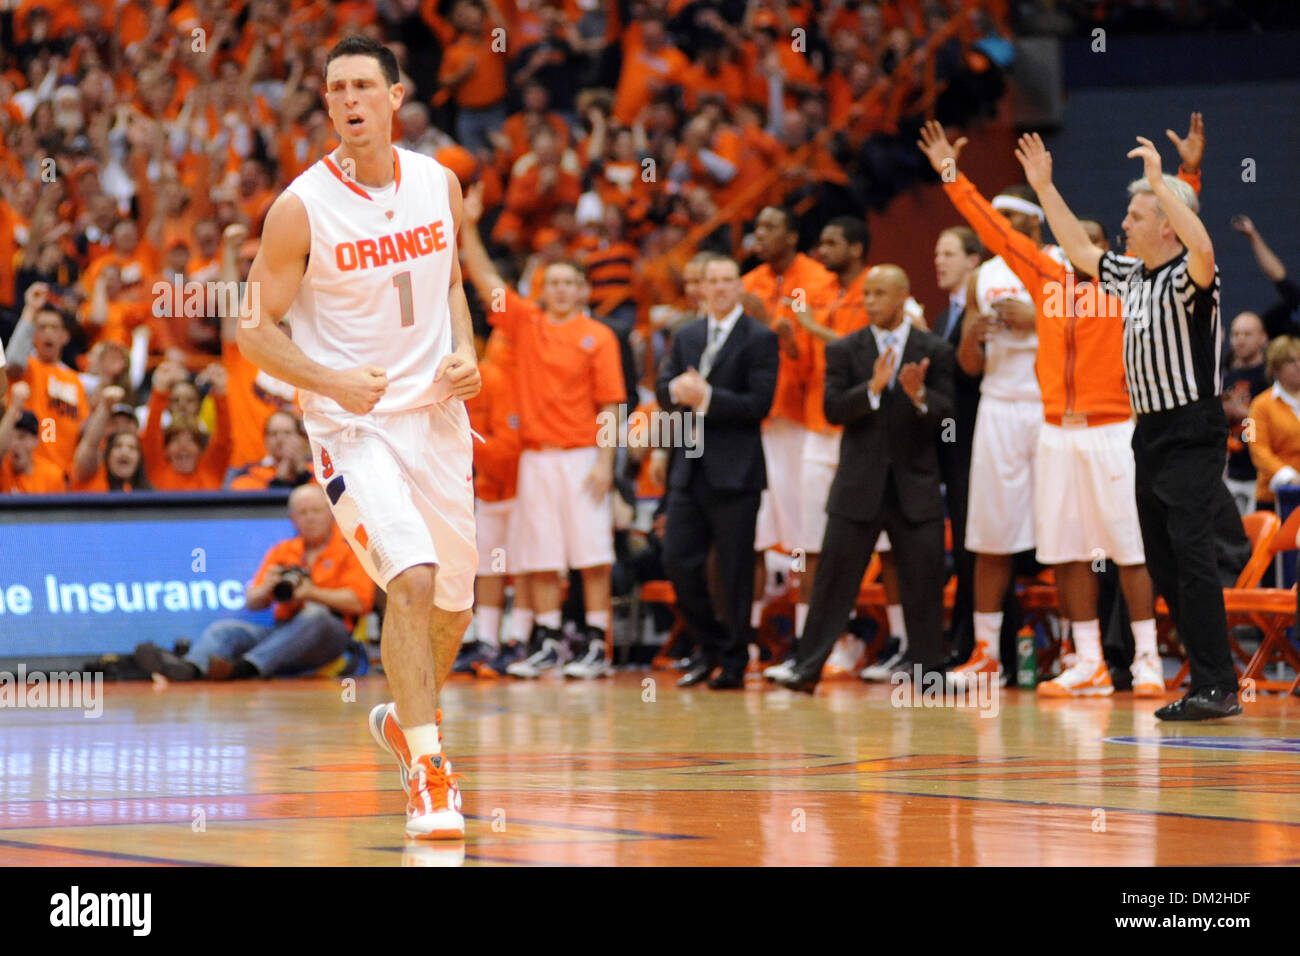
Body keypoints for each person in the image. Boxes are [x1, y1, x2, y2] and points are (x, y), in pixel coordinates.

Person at [235, 36, 481, 839]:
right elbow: (251, 328)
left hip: (437, 419)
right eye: (336, 87)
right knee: (409, 580)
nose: (348, 100)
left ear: (394, 95)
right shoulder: (301, 207)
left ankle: (400, 722)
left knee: (454, 604)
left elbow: (449, 279)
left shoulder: (439, 182)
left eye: (363, 86)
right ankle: (431, 775)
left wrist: (468, 352)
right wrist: (331, 381)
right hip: (354, 427)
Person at [921, 119, 1163, 698]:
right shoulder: (1045, 276)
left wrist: (1182, 178)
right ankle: (1088, 662)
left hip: (1111, 429)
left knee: (1128, 547)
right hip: (1054, 429)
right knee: (1065, 550)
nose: (1080, 245)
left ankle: (1149, 659)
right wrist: (952, 177)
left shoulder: (1128, 283)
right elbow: (994, 231)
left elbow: (1177, 232)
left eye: (1093, 240)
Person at [1018, 130, 1241, 720]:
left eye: (1136, 214)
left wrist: (1165, 181)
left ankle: (1219, 686)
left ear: (1166, 224)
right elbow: (1078, 249)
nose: (1124, 223)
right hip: (1147, 433)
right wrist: (1044, 188)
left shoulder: (1194, 277)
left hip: (1192, 427)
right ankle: (1201, 681)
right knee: (1165, 560)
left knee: (1191, 557)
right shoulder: (1130, 276)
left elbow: (1203, 243)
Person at [459, 185, 626, 681]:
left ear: (582, 291)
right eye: (551, 282)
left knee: (592, 557)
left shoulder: (600, 337)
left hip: (581, 457)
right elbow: (485, 278)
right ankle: (549, 641)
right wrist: (469, 224)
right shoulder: (526, 323)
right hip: (535, 458)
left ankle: (597, 644)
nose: (559, 290)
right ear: (542, 288)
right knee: (539, 557)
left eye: (569, 283)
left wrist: (604, 462)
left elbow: (612, 404)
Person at [773, 265, 955, 693]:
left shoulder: (933, 349)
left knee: (924, 582)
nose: (870, 301)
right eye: (866, 293)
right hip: (858, 485)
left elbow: (949, 418)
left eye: (879, 293)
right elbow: (834, 409)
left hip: (915, 486)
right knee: (834, 581)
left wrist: (920, 397)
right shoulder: (845, 350)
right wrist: (871, 390)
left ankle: (930, 672)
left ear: (903, 296)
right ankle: (807, 668)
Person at [656, 255, 779, 689]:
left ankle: (733, 660)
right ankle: (709, 646)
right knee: (676, 561)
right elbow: (663, 385)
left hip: (737, 471)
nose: (722, 288)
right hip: (688, 468)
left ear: (739, 287)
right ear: (702, 287)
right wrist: (675, 390)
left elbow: (758, 405)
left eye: (730, 281)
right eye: (714, 281)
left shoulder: (760, 338)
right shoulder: (685, 334)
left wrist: (707, 397)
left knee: (734, 572)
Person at [133, 484, 372, 680]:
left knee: (315, 615)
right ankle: (190, 669)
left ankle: (244, 668)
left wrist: (310, 593)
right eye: (303, 512)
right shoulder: (283, 550)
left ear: (330, 513)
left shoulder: (349, 548)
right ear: (292, 519)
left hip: (332, 636)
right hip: (283, 631)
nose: (310, 518)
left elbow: (359, 602)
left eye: (315, 511)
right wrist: (266, 590)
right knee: (224, 629)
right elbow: (253, 601)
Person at [929, 225, 984, 669]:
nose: (938, 261)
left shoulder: (980, 310)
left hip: (978, 443)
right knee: (961, 546)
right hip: (948, 449)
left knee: (976, 547)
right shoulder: (942, 315)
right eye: (936, 253)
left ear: (973, 260)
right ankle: (959, 637)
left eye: (948, 253)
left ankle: (971, 641)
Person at [4, 284, 88, 482]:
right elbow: (14, 360)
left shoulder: (74, 379)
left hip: (65, 477)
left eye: (54, 328)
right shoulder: (27, 368)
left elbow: (81, 428)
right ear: (33, 336)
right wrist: (31, 309)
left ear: (65, 336)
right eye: (42, 327)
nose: (48, 333)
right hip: (28, 469)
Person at [1221, 311, 1270, 515]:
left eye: (1247, 334)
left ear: (1263, 338)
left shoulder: (1270, 377)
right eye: (1236, 334)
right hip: (1231, 472)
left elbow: (1278, 420)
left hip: (1261, 475)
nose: (1240, 340)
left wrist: (1244, 412)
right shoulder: (1224, 376)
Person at [1246, 337, 1300, 508]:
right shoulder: (1259, 405)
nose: (1298, 365)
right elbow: (1257, 450)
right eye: (1291, 361)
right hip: (1274, 497)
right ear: (1275, 368)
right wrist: (1290, 477)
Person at [0, 392, 67, 494]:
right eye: (10, 438)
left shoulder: (52, 476)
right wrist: (14, 408)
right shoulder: (3, 470)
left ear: (36, 440)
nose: (14, 444)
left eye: (21, 437)